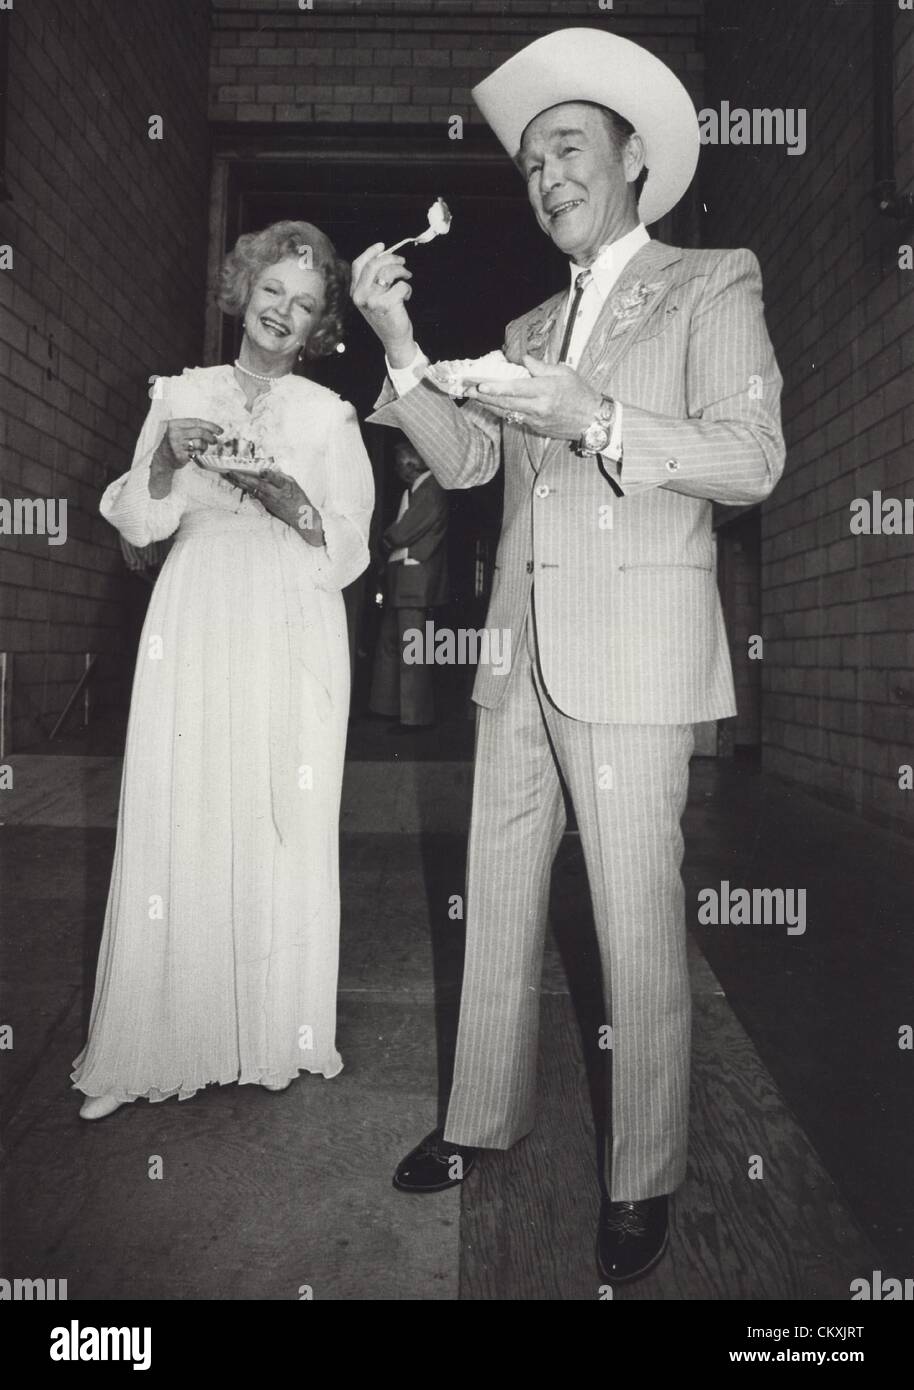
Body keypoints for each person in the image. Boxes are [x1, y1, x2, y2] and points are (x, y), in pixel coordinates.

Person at [351, 29, 784, 1283]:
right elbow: (478, 463)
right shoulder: (530, 320)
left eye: (567, 148)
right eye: (532, 159)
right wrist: (395, 344)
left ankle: (640, 1174)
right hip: (518, 654)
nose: (544, 175)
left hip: (638, 654)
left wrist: (593, 414)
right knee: (494, 893)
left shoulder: (713, 281)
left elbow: (748, 459)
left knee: (633, 919)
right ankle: (478, 1118)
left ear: (632, 160)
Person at [72, 220, 374, 1119]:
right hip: (196, 606)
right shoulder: (180, 392)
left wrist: (288, 499)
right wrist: (166, 458)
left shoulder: (329, 416)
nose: (284, 312)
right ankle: (142, 1048)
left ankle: (271, 1035)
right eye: (273, 290)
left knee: (279, 809)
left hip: (290, 613)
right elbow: (137, 526)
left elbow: (352, 545)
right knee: (182, 803)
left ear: (321, 326)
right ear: (243, 289)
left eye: (307, 305)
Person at [369, 434, 449, 731]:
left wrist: (384, 540)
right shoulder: (418, 489)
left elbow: (404, 532)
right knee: (391, 644)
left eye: (401, 460)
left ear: (412, 462)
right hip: (402, 578)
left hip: (415, 581)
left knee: (410, 650)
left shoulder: (431, 488)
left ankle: (414, 717)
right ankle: (387, 707)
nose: (398, 467)